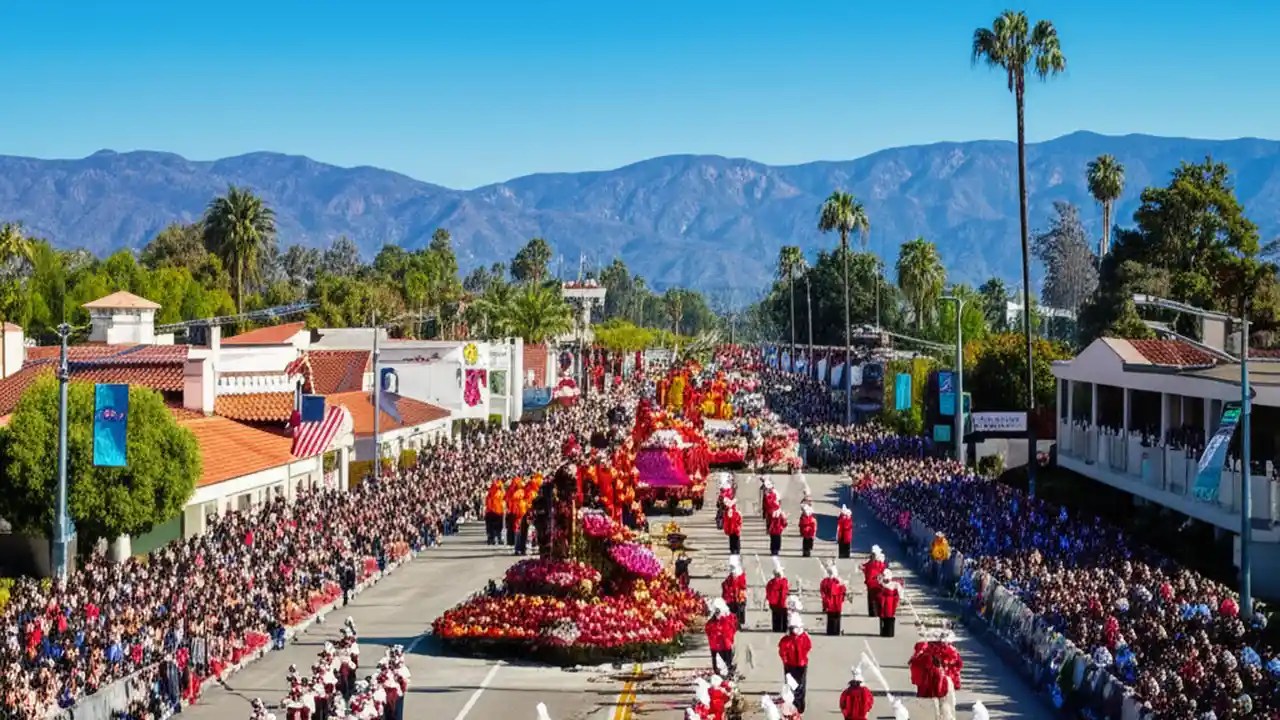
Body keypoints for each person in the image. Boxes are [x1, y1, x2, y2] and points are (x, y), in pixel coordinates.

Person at [776, 613, 811, 714]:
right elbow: (782, 652)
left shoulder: (803, 637)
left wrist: (802, 656)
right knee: (791, 685)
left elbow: (808, 647)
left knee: (800, 685)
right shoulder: (787, 639)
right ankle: (793, 705)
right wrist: (786, 660)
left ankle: (799, 706)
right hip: (790, 665)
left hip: (801, 664)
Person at [705, 599, 738, 675]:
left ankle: (729, 671)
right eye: (716, 613)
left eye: (718, 612)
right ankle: (723, 672)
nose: (717, 614)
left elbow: (733, 626)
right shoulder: (712, 623)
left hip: (725, 643)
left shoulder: (726, 619)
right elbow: (708, 631)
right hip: (717, 645)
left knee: (727, 659)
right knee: (719, 660)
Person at [819, 564, 847, 636]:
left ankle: (834, 630)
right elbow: (823, 591)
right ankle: (833, 630)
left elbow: (843, 591)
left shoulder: (837, 581)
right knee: (832, 616)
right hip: (832, 601)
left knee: (835, 616)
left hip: (835, 601)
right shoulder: (827, 581)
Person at [722, 556, 748, 628]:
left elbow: (743, 588)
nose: (734, 575)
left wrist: (742, 597)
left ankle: (738, 623)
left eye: (734, 574)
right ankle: (734, 623)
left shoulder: (740, 578)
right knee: (732, 611)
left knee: (739, 611)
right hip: (731, 599)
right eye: (733, 573)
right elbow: (726, 588)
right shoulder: (728, 580)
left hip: (738, 598)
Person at [860, 546, 886, 617]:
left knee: (872, 599)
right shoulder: (880, 564)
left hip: (871, 584)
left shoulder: (871, 564)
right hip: (877, 584)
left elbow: (866, 569)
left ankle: (873, 613)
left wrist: (862, 568)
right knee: (877, 599)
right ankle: (877, 612)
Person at [765, 562, 791, 633]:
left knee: (782, 615)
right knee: (776, 615)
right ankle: (777, 628)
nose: (777, 576)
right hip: (774, 601)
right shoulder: (772, 582)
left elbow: (783, 592)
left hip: (780, 601)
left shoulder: (782, 582)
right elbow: (768, 591)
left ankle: (782, 628)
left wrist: (783, 601)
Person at [877, 569, 902, 638]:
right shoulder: (881, 584)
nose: (885, 581)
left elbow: (899, 592)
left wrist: (900, 598)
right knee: (884, 617)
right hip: (884, 604)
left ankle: (889, 631)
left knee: (890, 616)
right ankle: (883, 631)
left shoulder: (894, 585)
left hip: (891, 604)